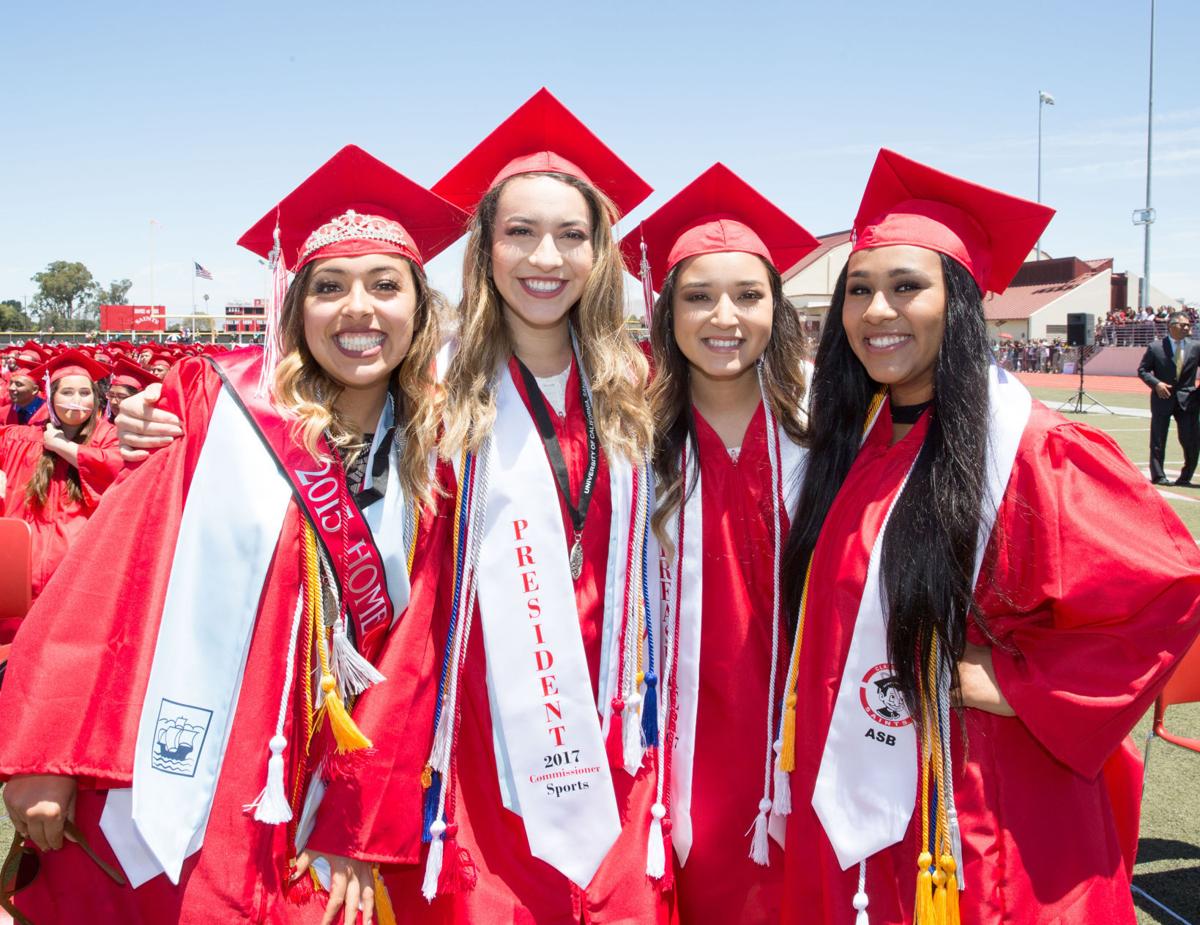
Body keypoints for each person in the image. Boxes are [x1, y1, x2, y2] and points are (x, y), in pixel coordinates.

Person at [0, 145, 465, 924]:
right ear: (294, 307)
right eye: (329, 286)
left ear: (419, 310)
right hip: (192, 750)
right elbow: (116, 572)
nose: (358, 308)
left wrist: (360, 820)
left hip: (324, 775)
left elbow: (414, 655)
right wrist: (44, 749)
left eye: (385, 285)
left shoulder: (438, 457)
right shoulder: (221, 411)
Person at [775, 149, 1200, 925]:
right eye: (859, 289)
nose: (877, 310)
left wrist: (1018, 682)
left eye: (907, 287)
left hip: (972, 812)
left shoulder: (1029, 450)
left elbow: (1169, 587)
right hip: (861, 790)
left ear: (959, 302)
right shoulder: (855, 441)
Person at [301, 88, 667, 925]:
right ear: (485, 248)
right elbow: (416, 599)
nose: (547, 256)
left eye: (572, 234)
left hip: (619, 728)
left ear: (600, 252)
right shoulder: (436, 395)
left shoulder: (638, 393)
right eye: (520, 232)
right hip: (480, 734)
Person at [616, 162, 818, 924]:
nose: (723, 316)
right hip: (683, 726)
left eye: (748, 295)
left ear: (778, 306)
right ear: (667, 313)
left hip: (804, 719)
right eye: (697, 297)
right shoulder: (632, 432)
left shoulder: (828, 424)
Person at [0, 348, 123, 615]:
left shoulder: (109, 438)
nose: (76, 400)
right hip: (22, 577)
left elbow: (117, 470)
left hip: (81, 577)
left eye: (84, 392)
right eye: (66, 392)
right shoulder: (20, 439)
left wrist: (63, 447)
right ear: (50, 396)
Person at [1137, 310, 1200, 487]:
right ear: (1171, 326)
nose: (1187, 327)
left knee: (1191, 440)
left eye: (1188, 324)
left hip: (1189, 401)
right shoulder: (1155, 347)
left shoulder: (1196, 347)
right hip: (1161, 399)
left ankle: (1186, 476)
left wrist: (1197, 394)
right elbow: (1142, 370)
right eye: (1183, 324)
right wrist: (1156, 384)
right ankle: (1158, 476)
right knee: (1158, 439)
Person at [1, 356, 49, 426]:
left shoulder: (49, 415)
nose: (11, 388)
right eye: (11, 383)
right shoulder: (3, 413)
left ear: (35, 390)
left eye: (19, 384)